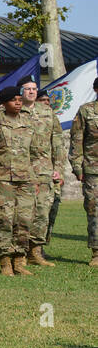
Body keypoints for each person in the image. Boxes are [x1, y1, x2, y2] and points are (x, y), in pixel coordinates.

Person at [0, 86, 35, 276]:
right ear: (4, 103)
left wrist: (36, 178)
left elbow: (36, 151)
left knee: (24, 220)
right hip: (3, 178)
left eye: (19, 99)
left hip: (25, 179)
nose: (18, 102)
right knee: (5, 219)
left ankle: (19, 260)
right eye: (13, 100)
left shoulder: (28, 122)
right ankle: (5, 260)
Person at [18, 77, 65, 267]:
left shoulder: (47, 112)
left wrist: (58, 168)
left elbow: (58, 142)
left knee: (42, 212)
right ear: (21, 92)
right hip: (20, 170)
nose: (31, 92)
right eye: (27, 89)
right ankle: (19, 251)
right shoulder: (12, 110)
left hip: (44, 170)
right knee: (22, 212)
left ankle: (35, 251)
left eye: (34, 89)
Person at [69, 76, 98, 267]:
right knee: (95, 211)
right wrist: (77, 166)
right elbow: (77, 140)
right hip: (93, 169)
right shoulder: (86, 110)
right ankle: (97, 252)